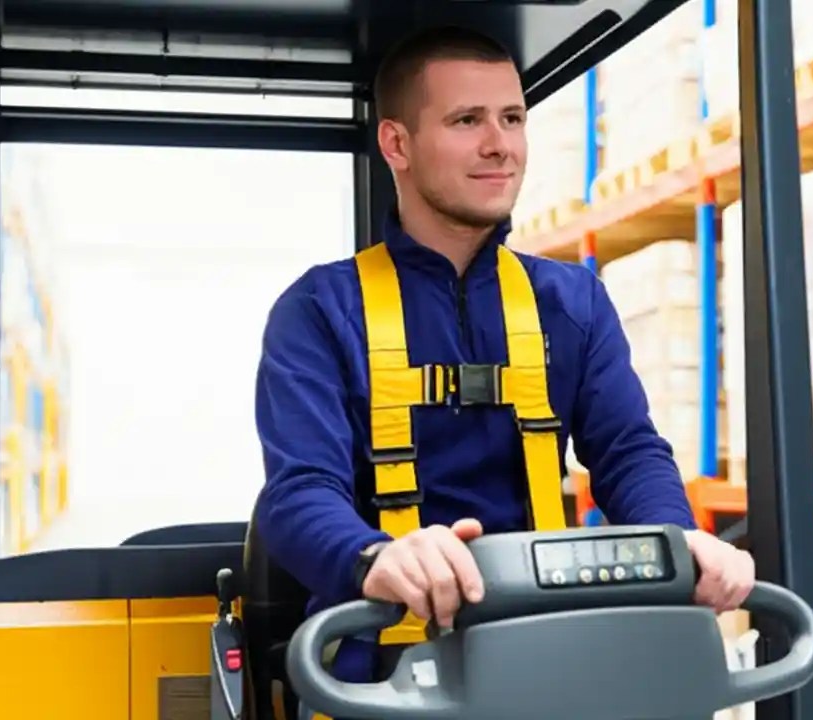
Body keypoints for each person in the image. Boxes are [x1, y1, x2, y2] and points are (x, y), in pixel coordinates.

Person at [253, 25, 754, 683]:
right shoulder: (319, 310)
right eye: (467, 120)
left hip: (548, 655)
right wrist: (374, 557)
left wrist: (678, 537)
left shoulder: (571, 302)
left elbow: (628, 450)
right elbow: (299, 493)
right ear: (396, 144)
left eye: (512, 118)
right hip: (381, 672)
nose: (500, 144)